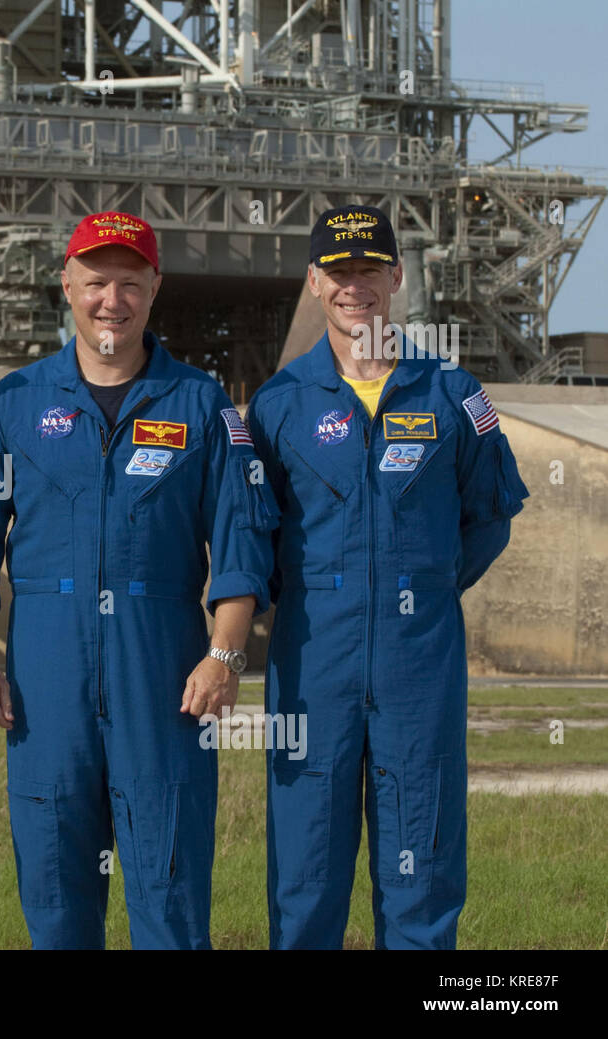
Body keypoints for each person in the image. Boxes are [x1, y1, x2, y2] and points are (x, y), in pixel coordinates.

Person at [0, 211, 278, 949]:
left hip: (162, 674)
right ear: (67, 284)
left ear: (155, 287)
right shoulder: (13, 404)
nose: (111, 300)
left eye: (130, 283)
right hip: (46, 680)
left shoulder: (202, 406)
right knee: (56, 896)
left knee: (170, 894)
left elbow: (243, 541)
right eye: (96, 282)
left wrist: (224, 655)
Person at [247, 204, 529, 949]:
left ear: (397, 276)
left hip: (419, 667)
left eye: (369, 269)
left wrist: (421, 589)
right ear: (313, 282)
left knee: (423, 870)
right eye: (338, 272)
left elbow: (491, 517)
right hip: (312, 666)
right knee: (306, 871)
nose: (354, 286)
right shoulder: (277, 405)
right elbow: (254, 535)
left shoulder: (455, 395)